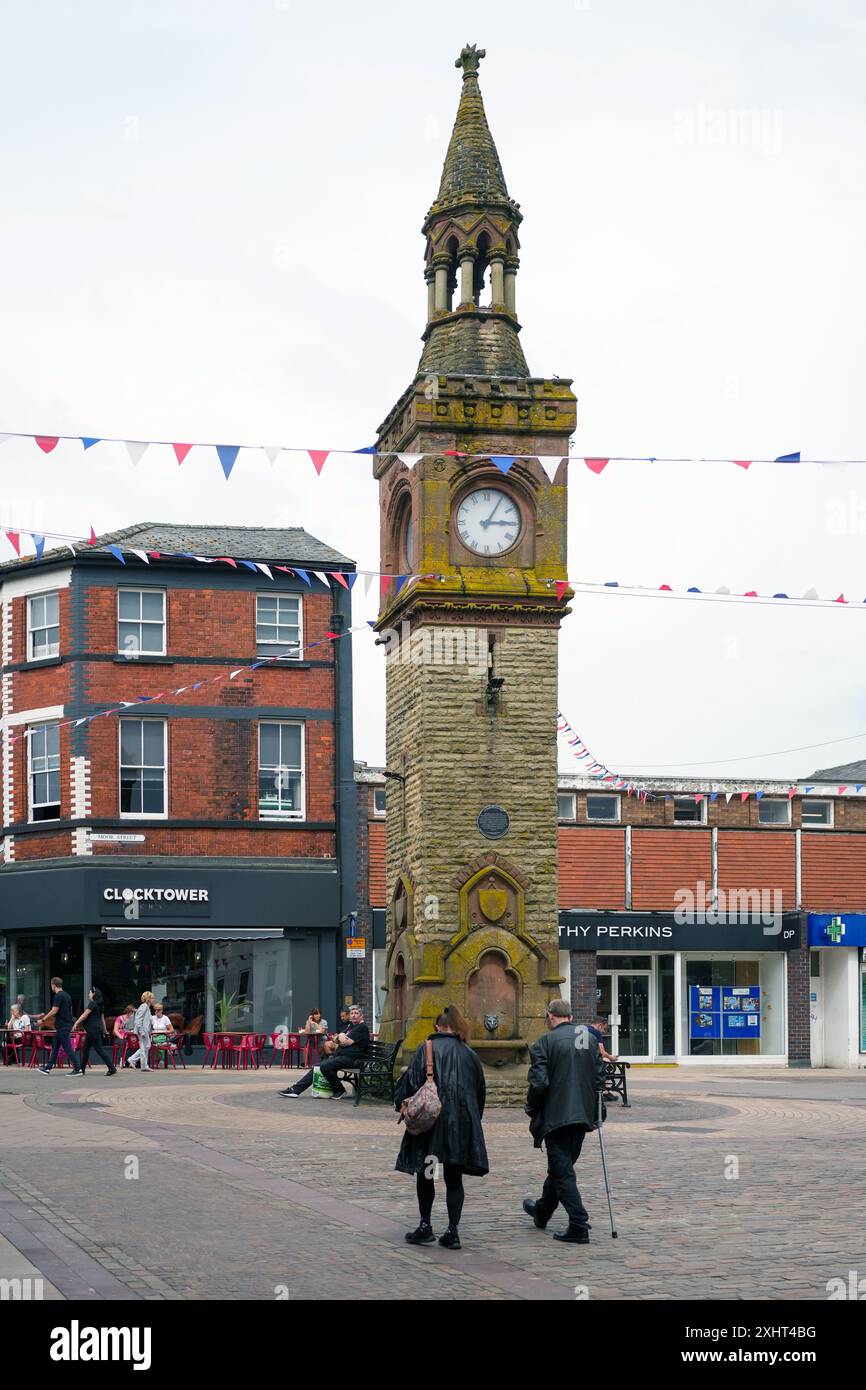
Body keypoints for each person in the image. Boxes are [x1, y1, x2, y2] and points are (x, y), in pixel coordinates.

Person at [394, 1004, 488, 1251]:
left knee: (427, 1174)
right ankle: (453, 1232)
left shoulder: (427, 1048)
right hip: (460, 1126)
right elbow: (479, 1093)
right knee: (454, 1179)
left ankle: (425, 1226)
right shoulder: (470, 1054)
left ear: (438, 1027)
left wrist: (401, 1107)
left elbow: (411, 1085)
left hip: (430, 1126)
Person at [522, 999, 605, 1244]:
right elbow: (600, 1079)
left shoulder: (544, 1043)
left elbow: (539, 1084)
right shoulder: (589, 1038)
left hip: (557, 1116)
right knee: (562, 1167)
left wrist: (532, 1108)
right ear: (569, 1015)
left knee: (562, 1171)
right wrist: (598, 1111)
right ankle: (542, 1210)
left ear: (550, 1016)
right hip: (582, 1116)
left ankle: (578, 1223)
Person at [278, 1004, 369, 1099]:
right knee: (317, 1066)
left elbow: (346, 1042)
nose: (353, 1015)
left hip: (353, 1059)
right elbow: (335, 1039)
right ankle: (295, 1090)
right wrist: (340, 1037)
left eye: (356, 1013)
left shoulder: (361, 1028)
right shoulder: (351, 1026)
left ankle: (339, 1090)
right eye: (352, 1013)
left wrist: (340, 1038)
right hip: (341, 1056)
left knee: (325, 1067)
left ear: (361, 1016)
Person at [34, 977, 83, 1076]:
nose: (51, 987)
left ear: (53, 985)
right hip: (64, 1025)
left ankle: (78, 1069)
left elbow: (54, 1010)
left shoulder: (58, 996)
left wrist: (43, 1020)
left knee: (67, 1048)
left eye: (51, 985)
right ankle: (47, 1068)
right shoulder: (67, 995)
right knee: (55, 1047)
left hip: (62, 1026)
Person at [73, 988, 117, 1076]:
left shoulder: (92, 1004)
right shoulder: (100, 1005)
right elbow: (102, 1020)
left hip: (92, 1030)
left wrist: (76, 1023)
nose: (88, 994)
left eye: (89, 993)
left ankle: (112, 1068)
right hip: (95, 1030)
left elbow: (85, 1014)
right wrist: (105, 1031)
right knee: (85, 1049)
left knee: (99, 1049)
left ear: (94, 994)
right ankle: (82, 1069)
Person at [126, 992, 155, 1071]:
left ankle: (140, 1063)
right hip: (143, 1031)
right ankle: (141, 1064)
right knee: (145, 1047)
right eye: (152, 998)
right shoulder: (144, 1007)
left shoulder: (146, 1007)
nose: (153, 1000)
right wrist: (142, 1031)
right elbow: (138, 1020)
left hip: (145, 1031)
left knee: (145, 1047)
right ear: (148, 999)